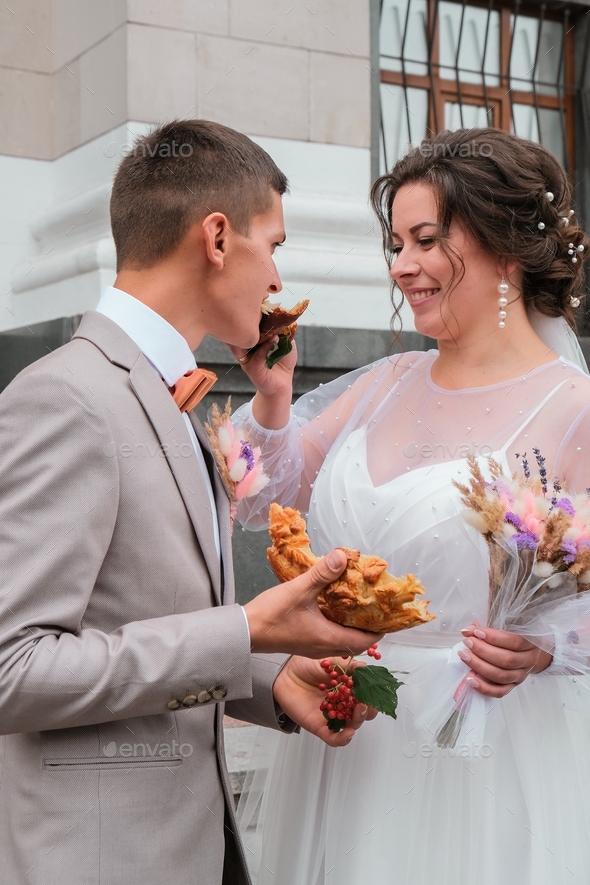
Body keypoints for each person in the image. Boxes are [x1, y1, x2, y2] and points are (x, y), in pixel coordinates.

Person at [0, 120, 381, 885]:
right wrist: (246, 629)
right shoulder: (67, 397)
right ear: (217, 237)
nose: (277, 278)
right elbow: (14, 667)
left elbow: (138, 618)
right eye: (273, 244)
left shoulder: (166, 393)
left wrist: (269, 677)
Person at [233, 128, 590, 884]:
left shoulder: (573, 409)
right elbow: (270, 496)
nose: (401, 265)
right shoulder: (386, 381)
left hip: (483, 749)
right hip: (352, 725)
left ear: (505, 248)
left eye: (426, 240)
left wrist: (547, 647)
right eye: (396, 244)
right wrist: (271, 397)